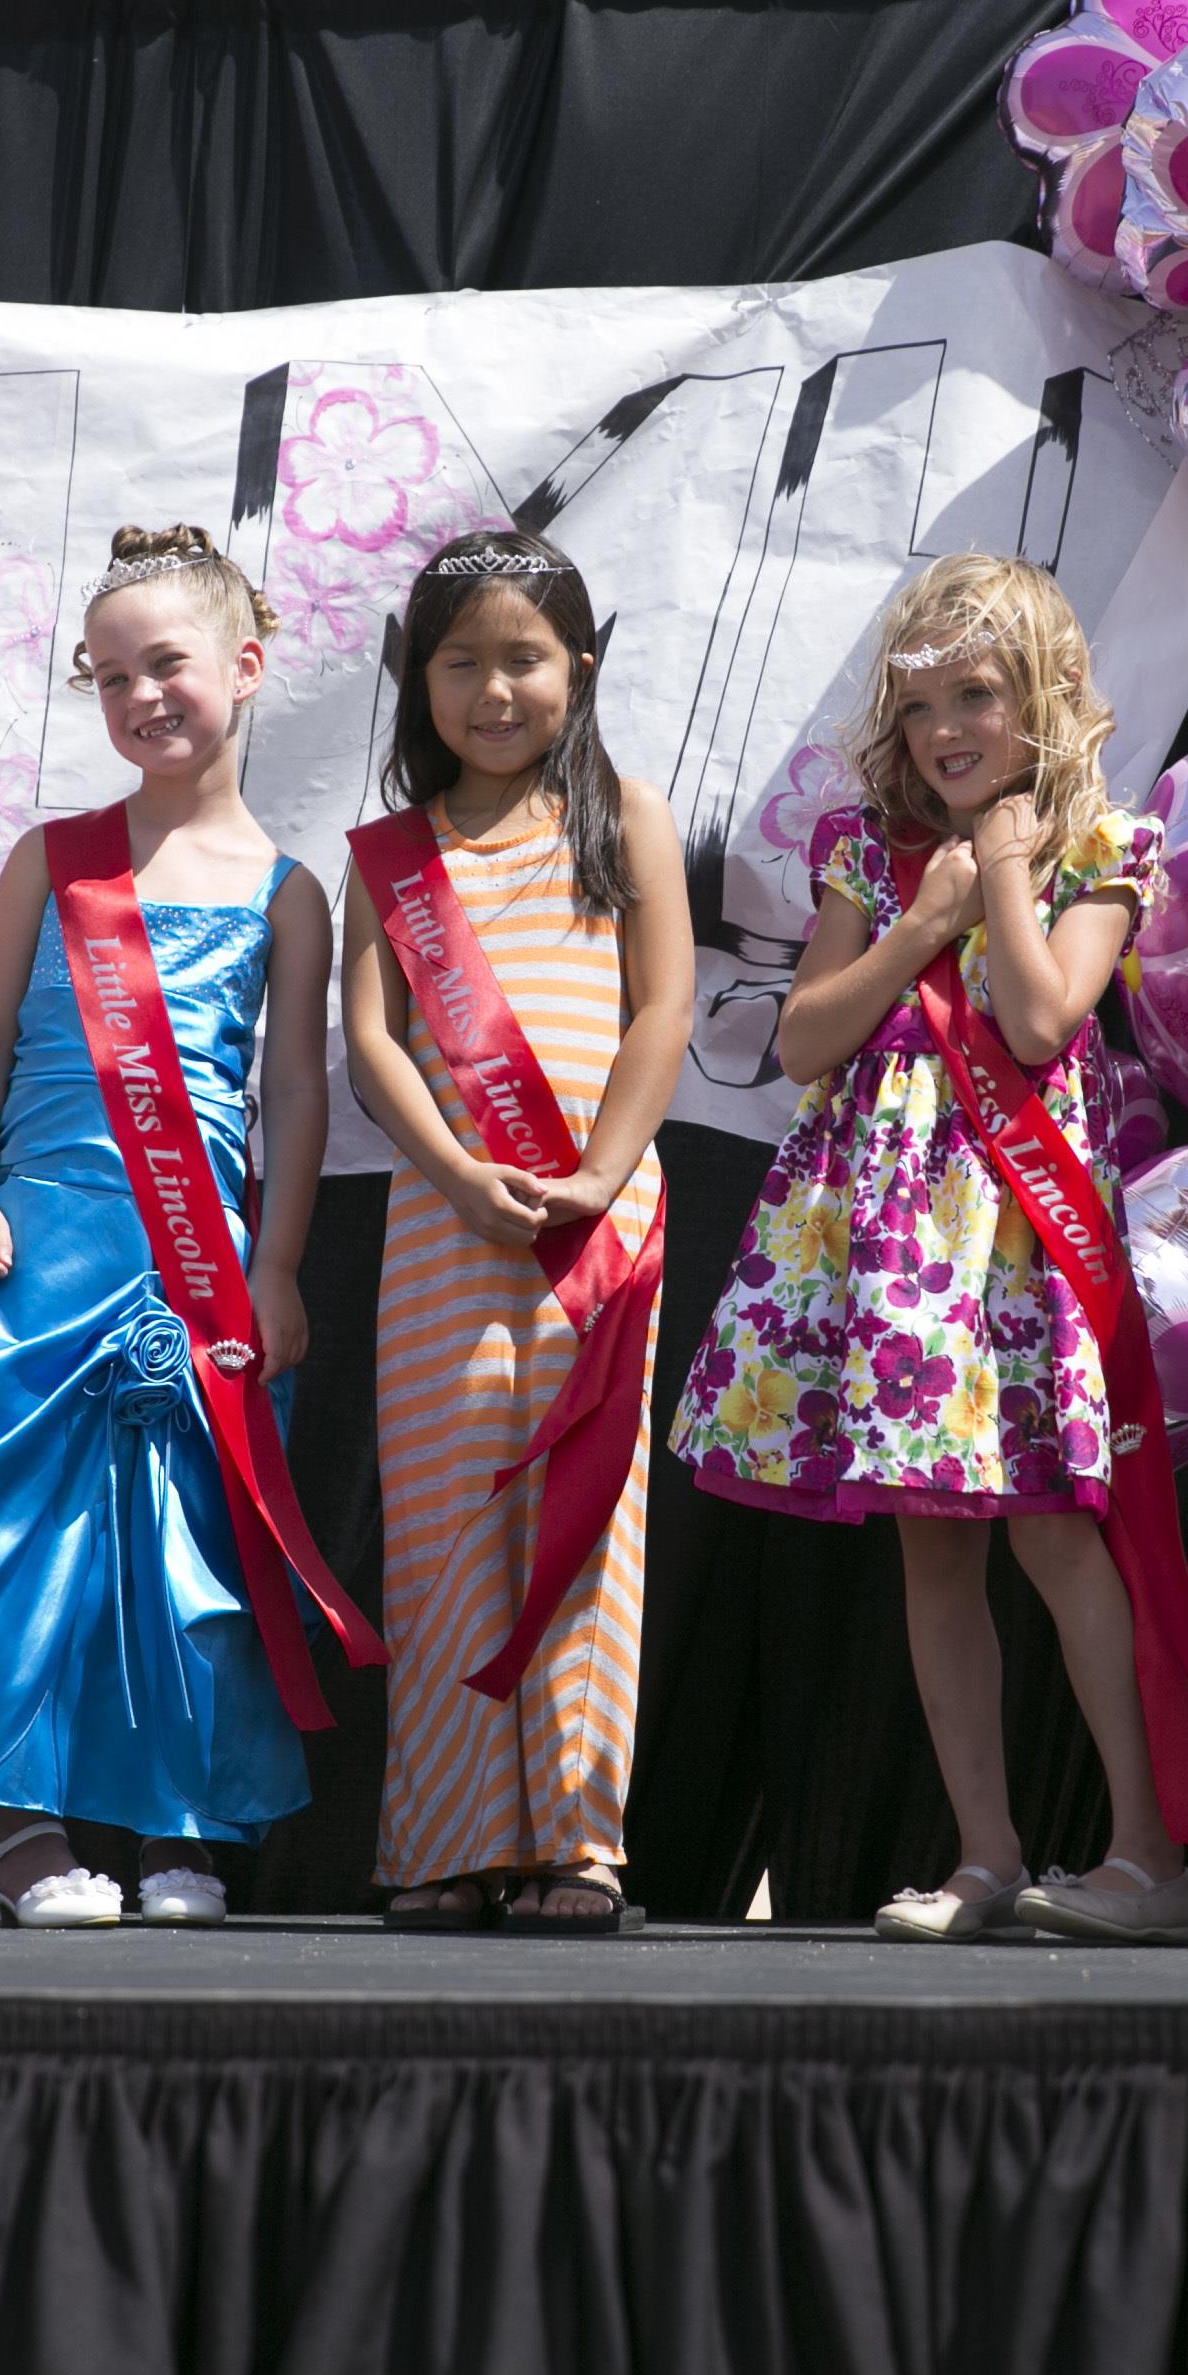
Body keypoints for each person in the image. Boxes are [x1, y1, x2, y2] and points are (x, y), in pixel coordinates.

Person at [672, 553, 1188, 1946]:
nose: (944, 731)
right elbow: (803, 1041)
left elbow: (1044, 1025)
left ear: (1037, 696)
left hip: (1011, 1236)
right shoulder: (868, 851)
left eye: (974, 694)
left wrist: (997, 880)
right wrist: (921, 917)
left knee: (1052, 1534)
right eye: (919, 706)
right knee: (932, 1553)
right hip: (882, 1236)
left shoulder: (1099, 847)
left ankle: (1146, 1857)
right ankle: (985, 1854)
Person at [0, 523, 369, 1927]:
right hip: (41, 1252)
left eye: (166, 665)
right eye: (109, 677)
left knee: (186, 1551)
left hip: (197, 1270)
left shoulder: (288, 892)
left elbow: (295, 1089)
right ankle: (23, 1836)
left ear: (246, 668)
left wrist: (283, 1263)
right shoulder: (51, 858)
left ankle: (183, 1828)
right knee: (5, 1539)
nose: (140, 699)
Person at [341, 531, 686, 1935]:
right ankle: (451, 1835)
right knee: (442, 1526)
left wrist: (600, 1175)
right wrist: (456, 1168)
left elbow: (661, 1010)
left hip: (595, 1233)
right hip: (443, 1228)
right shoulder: (392, 855)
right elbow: (371, 1038)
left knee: (587, 1525)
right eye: (461, 662)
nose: (495, 690)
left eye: (524, 660)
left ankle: (576, 1841)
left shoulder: (623, 814)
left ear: (580, 667)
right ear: (417, 679)